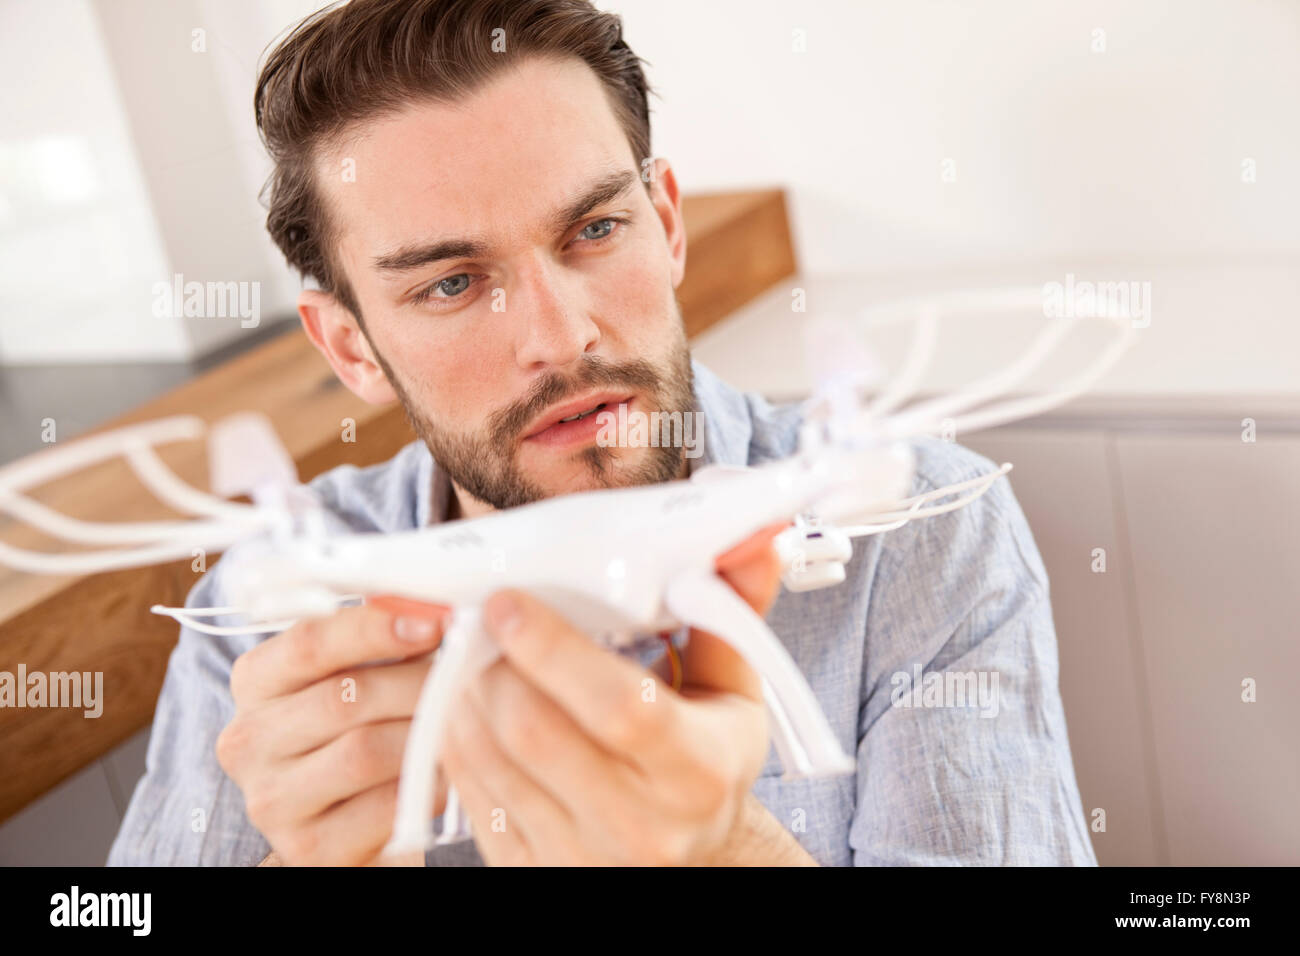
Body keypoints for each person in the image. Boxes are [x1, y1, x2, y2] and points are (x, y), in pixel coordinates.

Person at [108, 0, 1096, 867]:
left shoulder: (920, 530)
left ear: (664, 224)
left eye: (592, 230)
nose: (559, 335)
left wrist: (722, 855)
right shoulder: (275, 616)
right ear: (351, 347)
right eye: (451, 283)